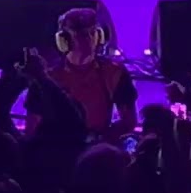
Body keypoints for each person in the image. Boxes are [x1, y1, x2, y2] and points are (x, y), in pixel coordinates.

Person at [25, 8, 137, 140]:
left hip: (97, 146)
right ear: (64, 40)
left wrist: (99, 138)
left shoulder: (114, 73)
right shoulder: (48, 75)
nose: (89, 39)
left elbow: (129, 121)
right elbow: (32, 126)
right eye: (81, 34)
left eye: (93, 32)